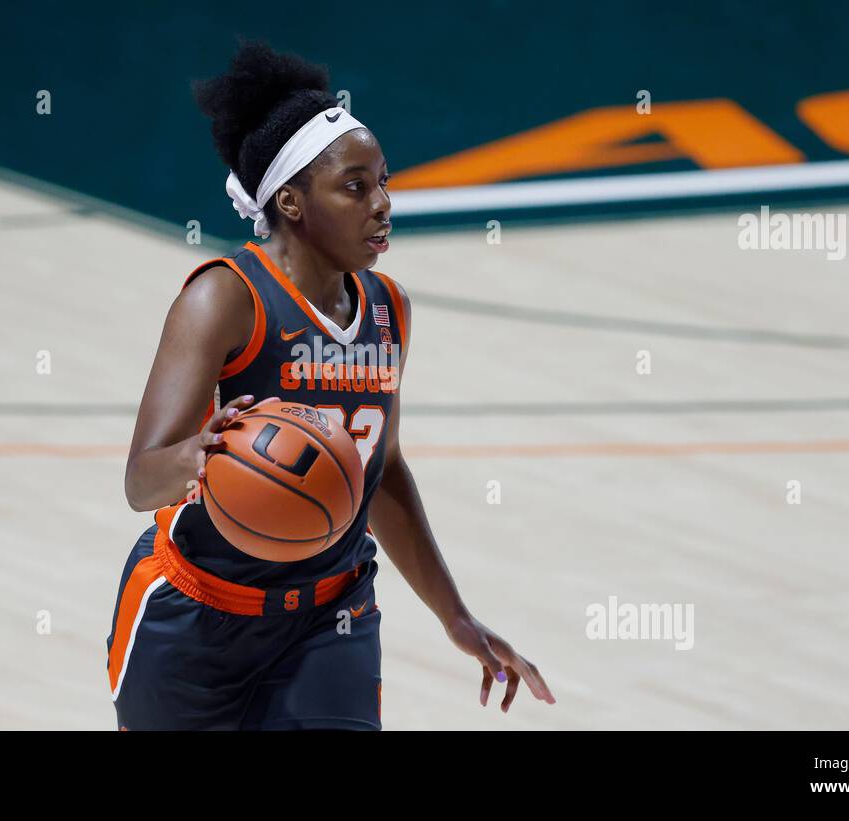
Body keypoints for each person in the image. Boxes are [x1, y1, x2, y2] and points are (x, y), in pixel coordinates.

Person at [106, 39, 554, 729]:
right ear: (290, 201)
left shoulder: (389, 308)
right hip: (194, 618)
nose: (382, 204)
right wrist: (199, 456)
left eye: (384, 181)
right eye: (355, 186)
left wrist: (454, 615)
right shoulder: (226, 299)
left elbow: (383, 472)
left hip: (330, 617)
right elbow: (141, 481)